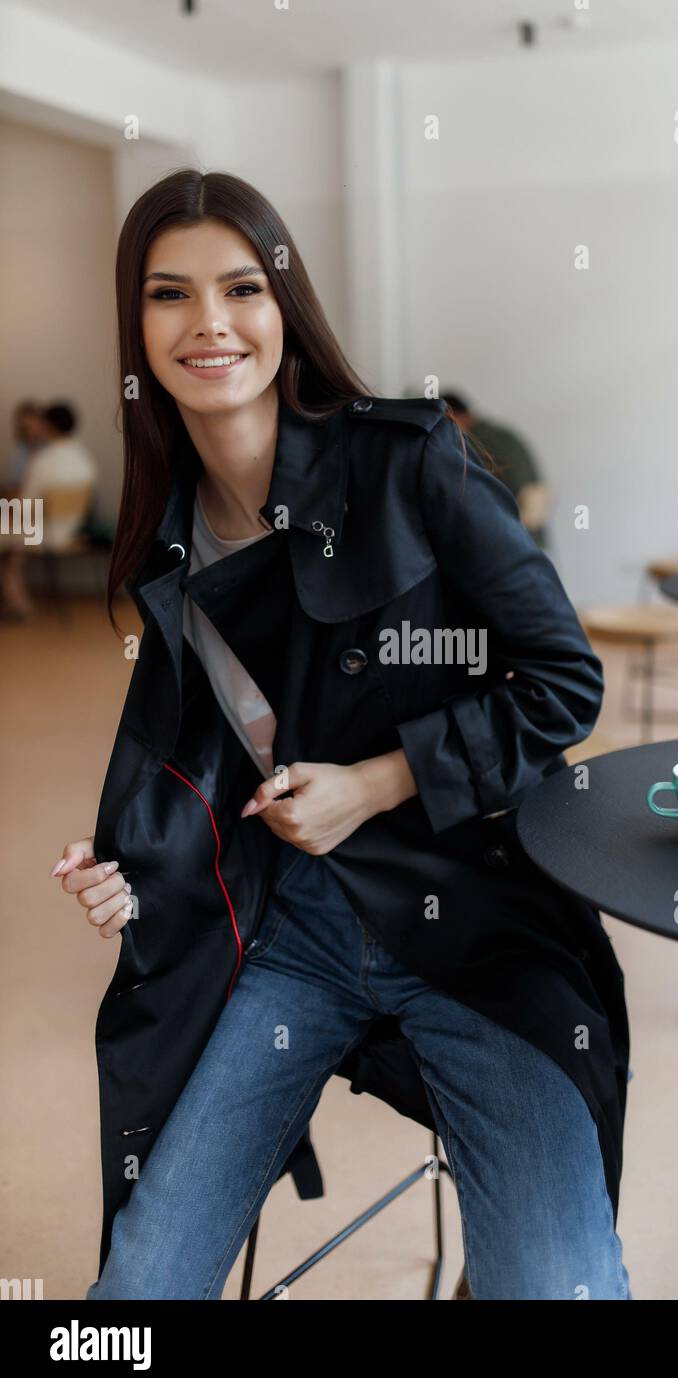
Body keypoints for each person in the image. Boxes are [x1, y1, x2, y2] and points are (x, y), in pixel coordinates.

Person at [49, 168, 631, 1301]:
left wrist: (373, 781)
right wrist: (121, 865)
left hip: (477, 919)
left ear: (285, 309)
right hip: (292, 937)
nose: (208, 324)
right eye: (169, 296)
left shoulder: (408, 460)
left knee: (556, 1287)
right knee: (136, 1296)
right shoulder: (165, 541)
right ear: (136, 324)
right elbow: (194, 763)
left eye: (240, 289)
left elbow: (564, 679)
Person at [0, 402, 97, 619]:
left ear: (48, 425)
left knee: (5, 540)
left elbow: (25, 504)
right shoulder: (84, 458)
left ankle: (18, 604)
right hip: (73, 531)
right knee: (10, 546)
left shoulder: (43, 461)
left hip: (45, 534)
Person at [442, 390, 552, 550]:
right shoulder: (501, 434)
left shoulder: (477, 440)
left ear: (455, 416)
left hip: (512, 539)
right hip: (527, 539)